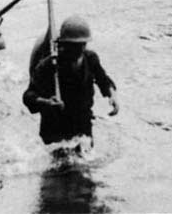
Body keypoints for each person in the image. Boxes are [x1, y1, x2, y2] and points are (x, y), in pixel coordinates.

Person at [24, 15, 118, 146]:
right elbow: (28, 96)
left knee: (86, 161)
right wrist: (46, 102)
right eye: (72, 47)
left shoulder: (90, 59)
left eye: (81, 45)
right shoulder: (48, 66)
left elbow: (103, 80)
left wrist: (111, 95)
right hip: (55, 128)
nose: (77, 50)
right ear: (62, 45)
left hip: (82, 123)